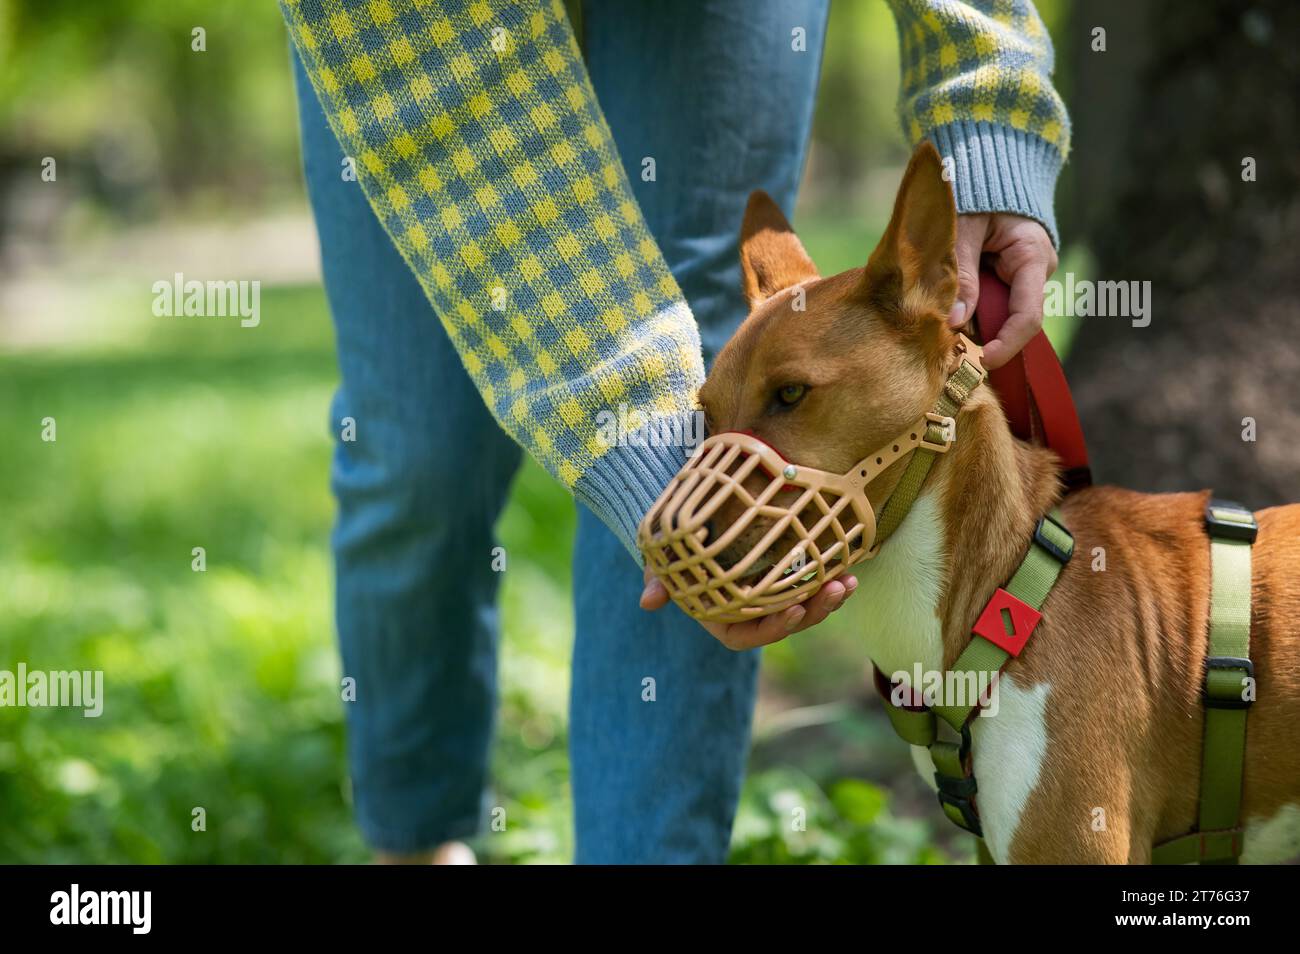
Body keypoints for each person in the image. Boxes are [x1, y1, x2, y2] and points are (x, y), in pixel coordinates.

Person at [282, 0, 1069, 863]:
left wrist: (986, 105)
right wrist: (630, 444)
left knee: (701, 366)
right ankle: (417, 839)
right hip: (412, 31)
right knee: (415, 449)